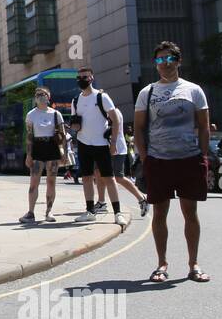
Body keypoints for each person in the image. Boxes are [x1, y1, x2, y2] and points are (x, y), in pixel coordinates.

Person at [134, 41, 212, 283]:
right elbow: (138, 128)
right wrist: (146, 158)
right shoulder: (147, 93)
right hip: (158, 161)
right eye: (159, 60)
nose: (164, 64)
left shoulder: (193, 90)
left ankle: (194, 264)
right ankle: (162, 264)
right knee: (160, 213)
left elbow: (203, 127)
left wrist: (203, 155)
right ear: (155, 64)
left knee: (190, 212)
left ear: (178, 61)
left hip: (189, 159)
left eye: (169, 59)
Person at [69, 68, 129, 229]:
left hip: (101, 144)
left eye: (85, 77)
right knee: (87, 178)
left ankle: (118, 213)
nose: (82, 79)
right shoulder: (75, 100)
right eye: (79, 77)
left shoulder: (102, 97)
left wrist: (114, 143)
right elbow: (76, 123)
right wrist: (74, 126)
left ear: (91, 77)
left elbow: (115, 120)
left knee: (109, 178)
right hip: (83, 143)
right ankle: (90, 211)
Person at [21, 87, 66, 224]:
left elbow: (62, 135)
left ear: (49, 97)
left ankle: (49, 211)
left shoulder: (56, 114)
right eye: (38, 94)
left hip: (52, 148)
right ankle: (30, 212)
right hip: (37, 148)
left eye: (44, 94)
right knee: (34, 182)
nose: (41, 96)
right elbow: (29, 136)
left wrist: (64, 152)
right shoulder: (31, 114)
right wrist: (29, 155)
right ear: (35, 98)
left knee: (51, 181)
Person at [109, 112, 148, 217]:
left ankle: (142, 198)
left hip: (117, 149)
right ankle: (101, 202)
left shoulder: (114, 112)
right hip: (105, 149)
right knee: (100, 175)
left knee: (118, 177)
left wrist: (112, 144)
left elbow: (113, 129)